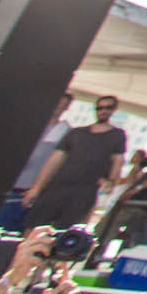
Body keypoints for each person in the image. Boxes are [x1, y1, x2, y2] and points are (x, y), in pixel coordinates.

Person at [23, 95, 126, 230]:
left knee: (67, 233)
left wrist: (111, 182)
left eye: (108, 108)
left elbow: (117, 160)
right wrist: (37, 188)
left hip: (84, 192)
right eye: (100, 108)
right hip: (57, 187)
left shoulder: (117, 135)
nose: (103, 111)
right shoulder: (77, 132)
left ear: (114, 110)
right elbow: (55, 160)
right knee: (34, 226)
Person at [0, 93, 74, 231]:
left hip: (34, 193)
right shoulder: (28, 124)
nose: (58, 108)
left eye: (63, 105)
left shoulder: (66, 132)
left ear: (67, 107)